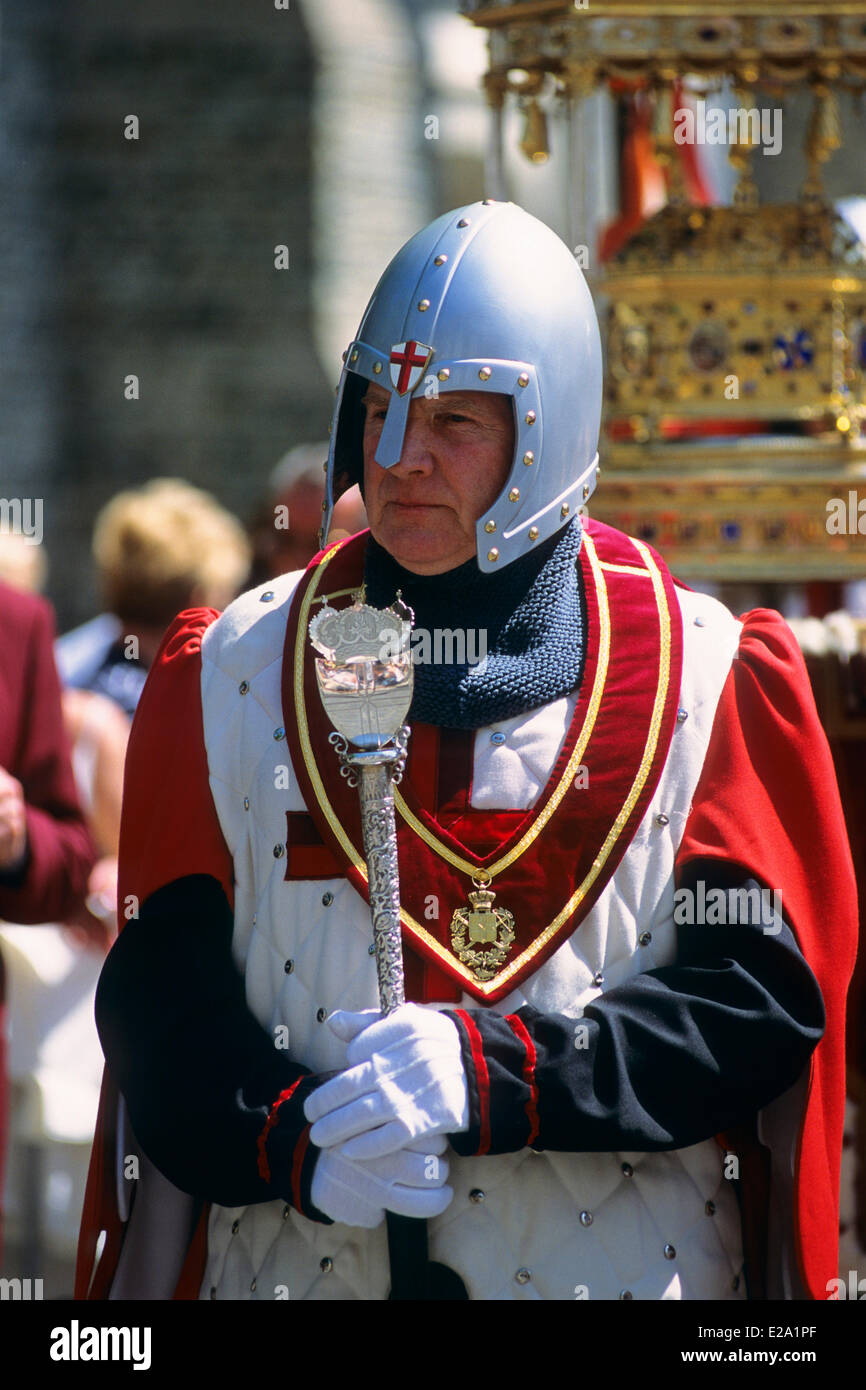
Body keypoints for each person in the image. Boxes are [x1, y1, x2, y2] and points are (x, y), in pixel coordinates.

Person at [80, 201, 856, 1302]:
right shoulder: (228, 673)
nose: (398, 458)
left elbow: (753, 1007)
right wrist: (287, 1140)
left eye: (452, 420)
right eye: (382, 408)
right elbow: (161, 1001)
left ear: (545, 434)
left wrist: (500, 1075)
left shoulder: (710, 676)